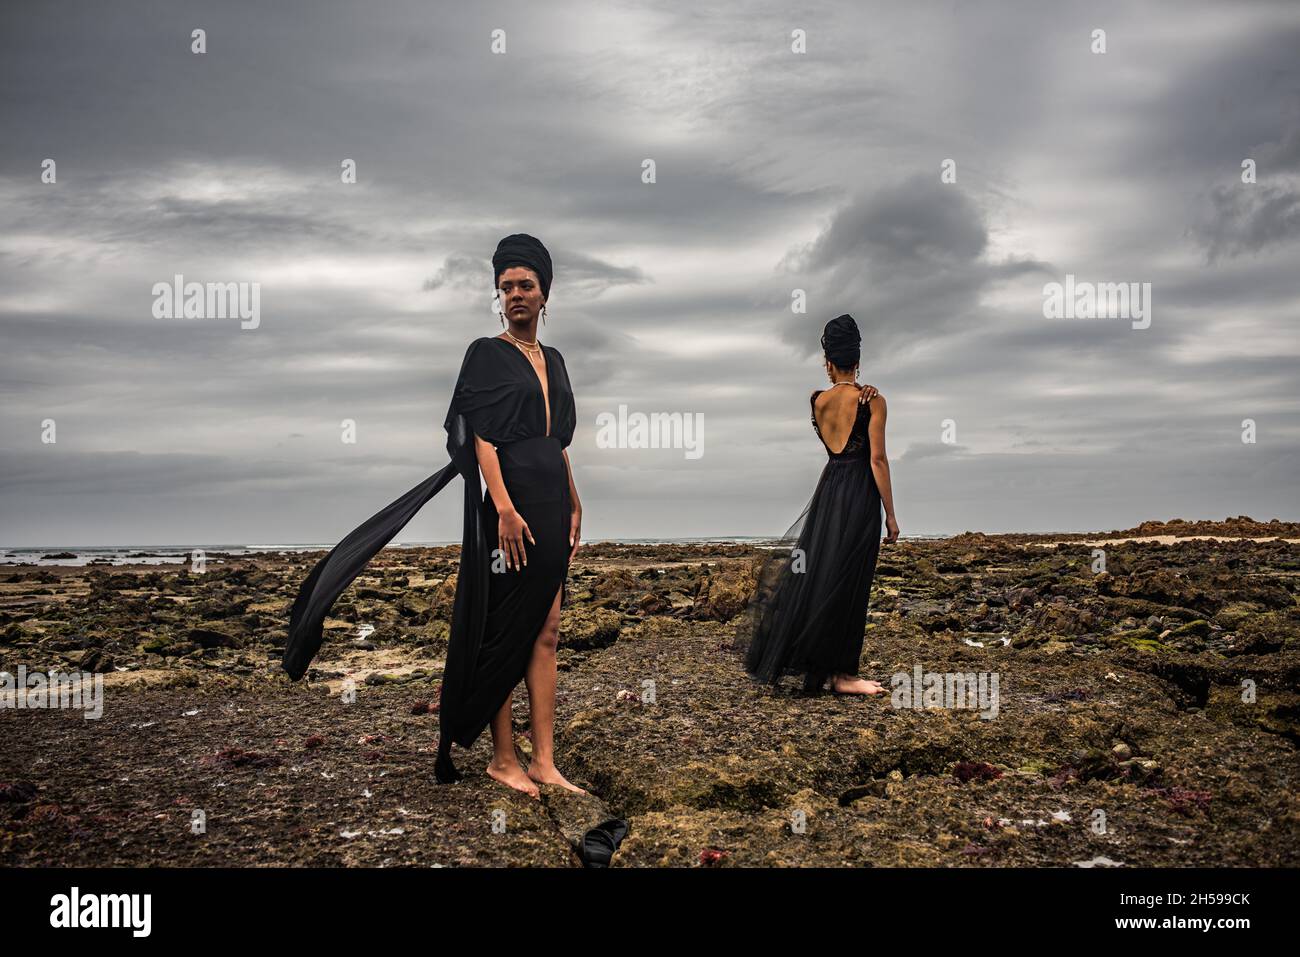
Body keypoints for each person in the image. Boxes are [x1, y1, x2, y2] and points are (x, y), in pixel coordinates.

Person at [283, 233, 586, 797]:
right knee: (502, 631)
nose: (516, 295)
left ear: (545, 293)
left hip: (551, 501)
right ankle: (503, 758)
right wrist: (504, 509)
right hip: (512, 506)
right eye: (506, 287)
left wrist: (574, 500)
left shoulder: (557, 360)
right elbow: (482, 439)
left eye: (526, 285)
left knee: (545, 631)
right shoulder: (485, 353)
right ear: (498, 296)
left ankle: (544, 761)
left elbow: (559, 440)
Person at [735, 313, 899, 695]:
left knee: (822, 575)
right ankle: (842, 675)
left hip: (829, 491)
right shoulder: (873, 402)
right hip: (859, 492)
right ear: (858, 359)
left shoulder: (817, 401)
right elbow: (877, 460)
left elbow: (839, 432)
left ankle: (825, 667)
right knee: (851, 580)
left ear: (828, 363)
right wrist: (891, 514)